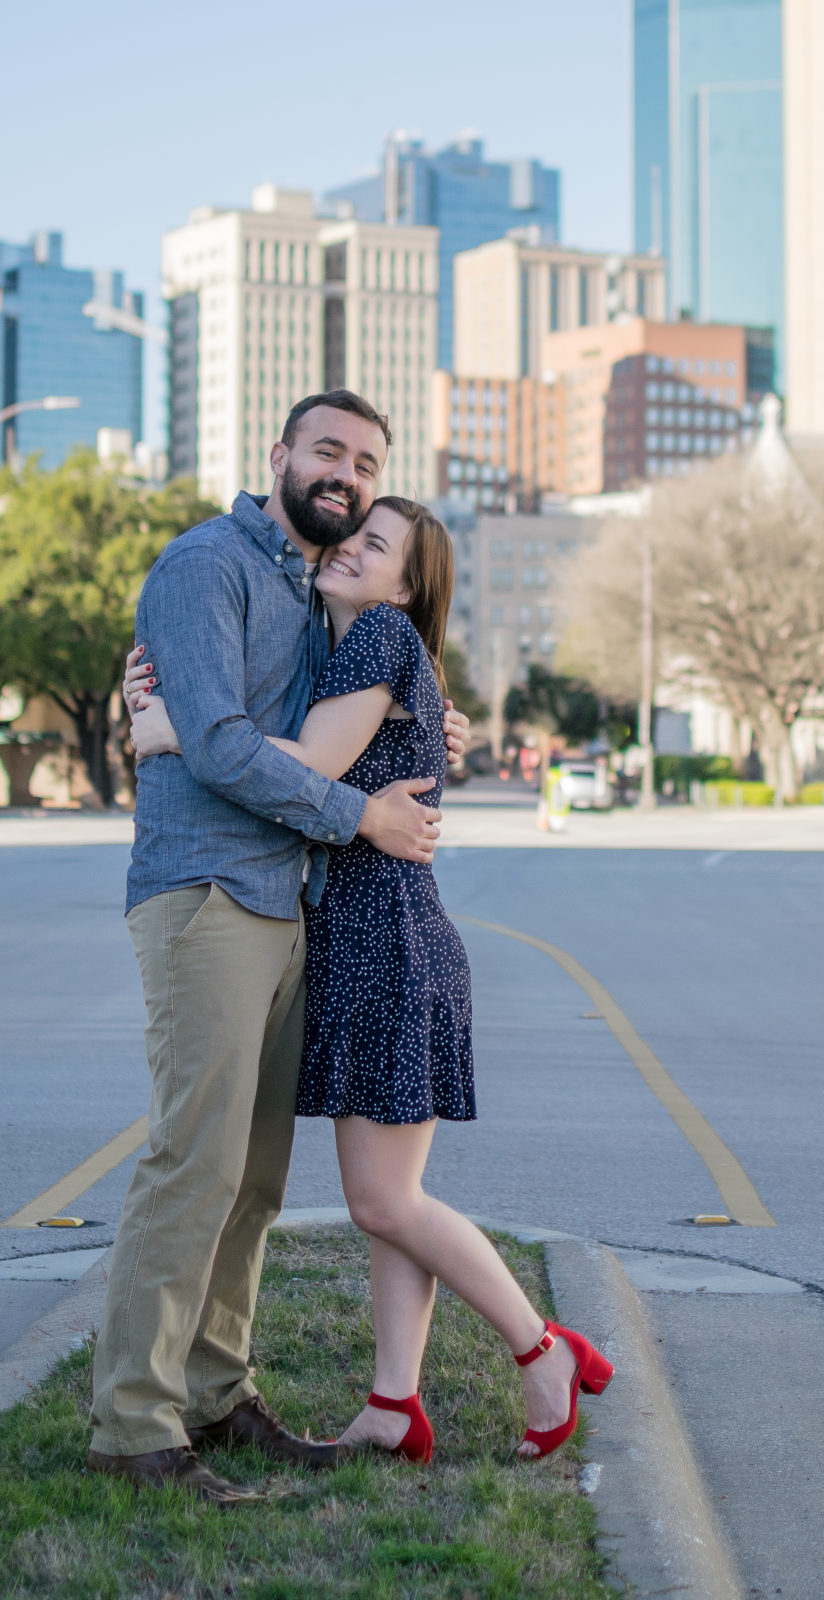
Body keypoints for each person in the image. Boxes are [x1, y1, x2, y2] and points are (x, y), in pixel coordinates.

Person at [128, 495, 614, 1470]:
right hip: (372, 939)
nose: (348, 545)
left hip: (384, 943)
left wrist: (173, 730)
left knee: (384, 1204)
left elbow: (308, 764)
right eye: (352, 534)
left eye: (375, 543)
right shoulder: (357, 647)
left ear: (404, 585)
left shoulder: (378, 639)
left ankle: (543, 1349)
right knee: (394, 1197)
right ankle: (394, 1403)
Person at [87, 390, 470, 1505]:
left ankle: (216, 1391)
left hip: (285, 901)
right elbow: (219, 744)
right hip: (205, 892)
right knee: (193, 1162)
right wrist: (360, 817)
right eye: (327, 452)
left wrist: (427, 712)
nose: (345, 475)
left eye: (366, 463)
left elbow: (331, 717)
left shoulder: (316, 593)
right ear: (280, 455)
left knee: (251, 1179)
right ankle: (134, 1426)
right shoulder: (206, 565)